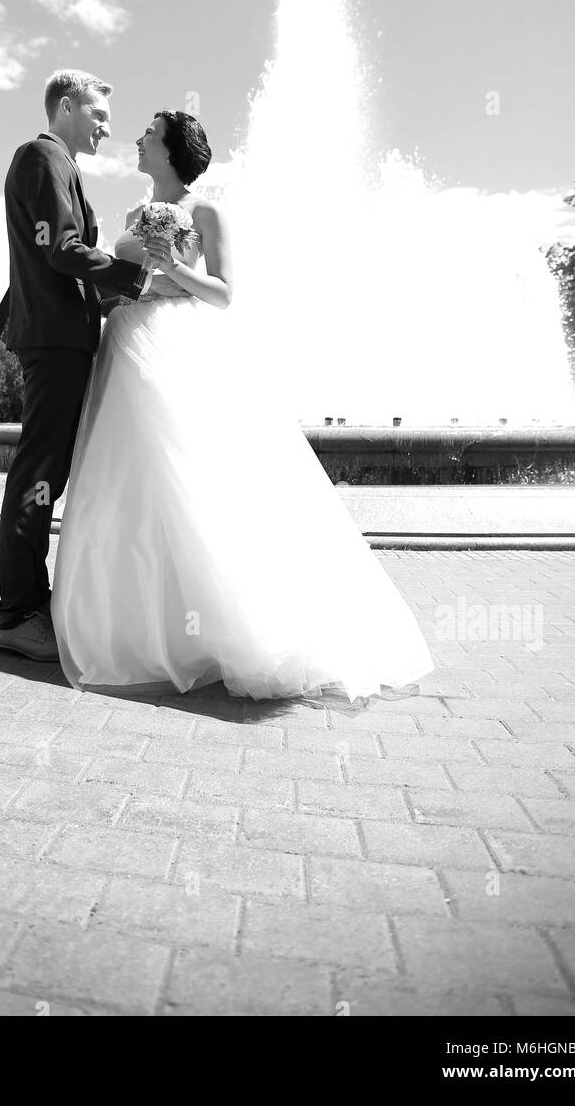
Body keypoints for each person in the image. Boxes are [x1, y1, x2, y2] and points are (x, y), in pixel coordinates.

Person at [50, 111, 435, 702]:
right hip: (124, 345)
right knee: (127, 480)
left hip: (176, 345)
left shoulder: (206, 211)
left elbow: (224, 293)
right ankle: (134, 625)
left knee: (192, 476)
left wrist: (171, 265)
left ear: (173, 151)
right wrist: (108, 298)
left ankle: (222, 626)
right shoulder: (130, 213)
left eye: (149, 136)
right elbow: (121, 281)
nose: (138, 140)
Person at [0, 68, 152, 662]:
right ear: (65, 107)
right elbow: (61, 250)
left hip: (60, 334)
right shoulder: (42, 156)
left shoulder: (58, 163)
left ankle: (28, 598)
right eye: (99, 115)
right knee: (38, 471)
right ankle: (17, 613)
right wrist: (137, 280)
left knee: (46, 470)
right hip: (55, 339)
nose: (109, 127)